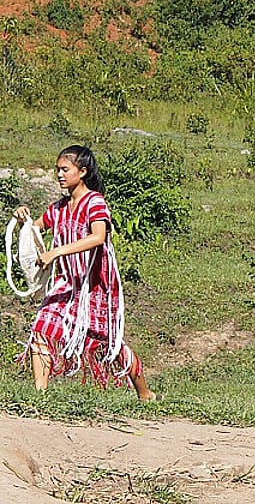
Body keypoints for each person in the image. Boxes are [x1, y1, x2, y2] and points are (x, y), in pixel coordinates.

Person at [12, 145, 155, 401]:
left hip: (96, 285)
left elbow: (98, 237)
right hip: (67, 283)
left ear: (83, 171)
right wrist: (23, 218)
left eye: (65, 170)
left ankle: (145, 393)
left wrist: (56, 252)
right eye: (58, 170)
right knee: (42, 328)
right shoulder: (59, 208)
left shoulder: (95, 202)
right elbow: (35, 230)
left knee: (109, 344)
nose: (59, 175)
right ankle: (39, 396)